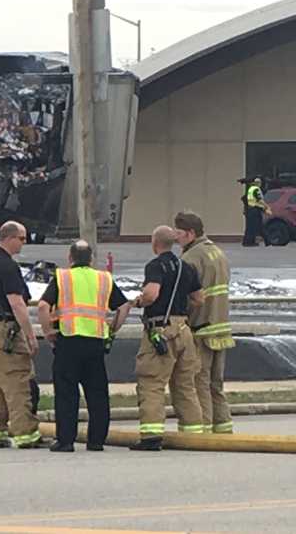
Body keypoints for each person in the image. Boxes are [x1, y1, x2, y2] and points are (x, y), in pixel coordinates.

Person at [111, 225, 206, 451]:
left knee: (151, 383)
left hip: (160, 330)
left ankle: (151, 436)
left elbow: (152, 294)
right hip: (183, 330)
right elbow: (199, 298)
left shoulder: (155, 266)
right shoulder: (186, 267)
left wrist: (140, 301)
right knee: (185, 385)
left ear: (155, 244)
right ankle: (193, 434)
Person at [37, 240, 132, 452]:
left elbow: (43, 307)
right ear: (91, 259)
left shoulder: (63, 277)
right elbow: (124, 306)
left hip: (68, 340)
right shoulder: (103, 278)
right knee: (97, 393)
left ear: (69, 258)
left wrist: (48, 332)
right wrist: (113, 329)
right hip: (95, 343)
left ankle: (66, 441)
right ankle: (96, 440)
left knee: (66, 393)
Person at [0, 221, 43, 449]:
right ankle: (26, 434)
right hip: (4, 327)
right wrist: (30, 335)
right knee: (17, 380)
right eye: (22, 239)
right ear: (9, 238)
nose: (24, 243)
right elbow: (17, 304)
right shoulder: (8, 266)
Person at [175, 210, 235, 434]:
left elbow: (188, 297)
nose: (176, 238)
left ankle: (206, 431)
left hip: (202, 328)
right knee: (216, 385)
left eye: (179, 233)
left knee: (199, 381)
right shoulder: (218, 252)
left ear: (190, 233)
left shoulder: (191, 258)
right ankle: (224, 429)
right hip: (222, 328)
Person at [242, 177, 270, 246]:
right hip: (254, 211)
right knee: (256, 227)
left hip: (251, 210)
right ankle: (267, 241)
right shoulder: (255, 190)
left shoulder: (251, 189)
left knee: (251, 227)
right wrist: (265, 207)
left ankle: (248, 242)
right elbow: (259, 200)